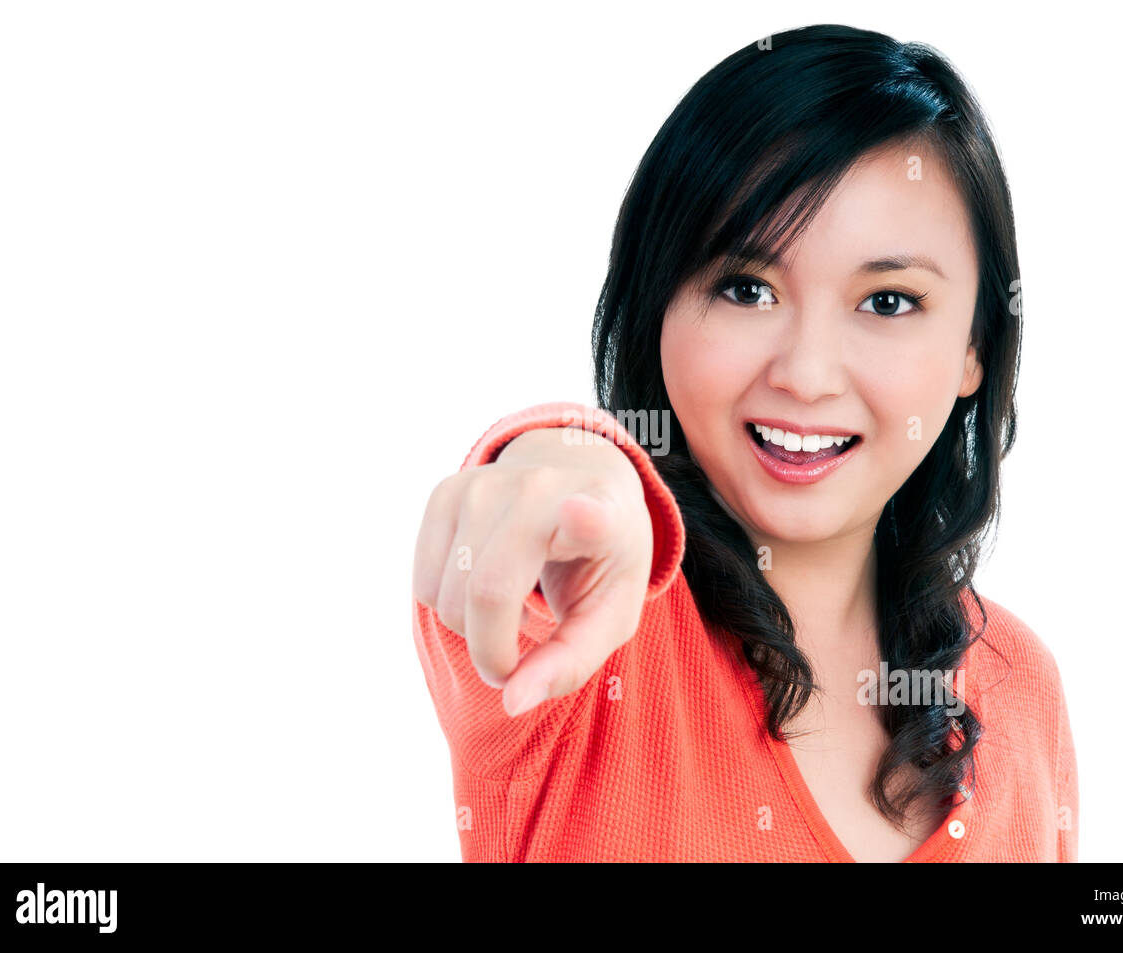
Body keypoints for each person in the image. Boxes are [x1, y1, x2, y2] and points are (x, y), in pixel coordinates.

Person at [412, 23, 1078, 862]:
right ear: (657, 307)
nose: (805, 374)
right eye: (746, 287)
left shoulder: (1023, 690)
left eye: (888, 301)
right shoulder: (585, 630)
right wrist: (574, 471)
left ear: (976, 346)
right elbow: (539, 515)